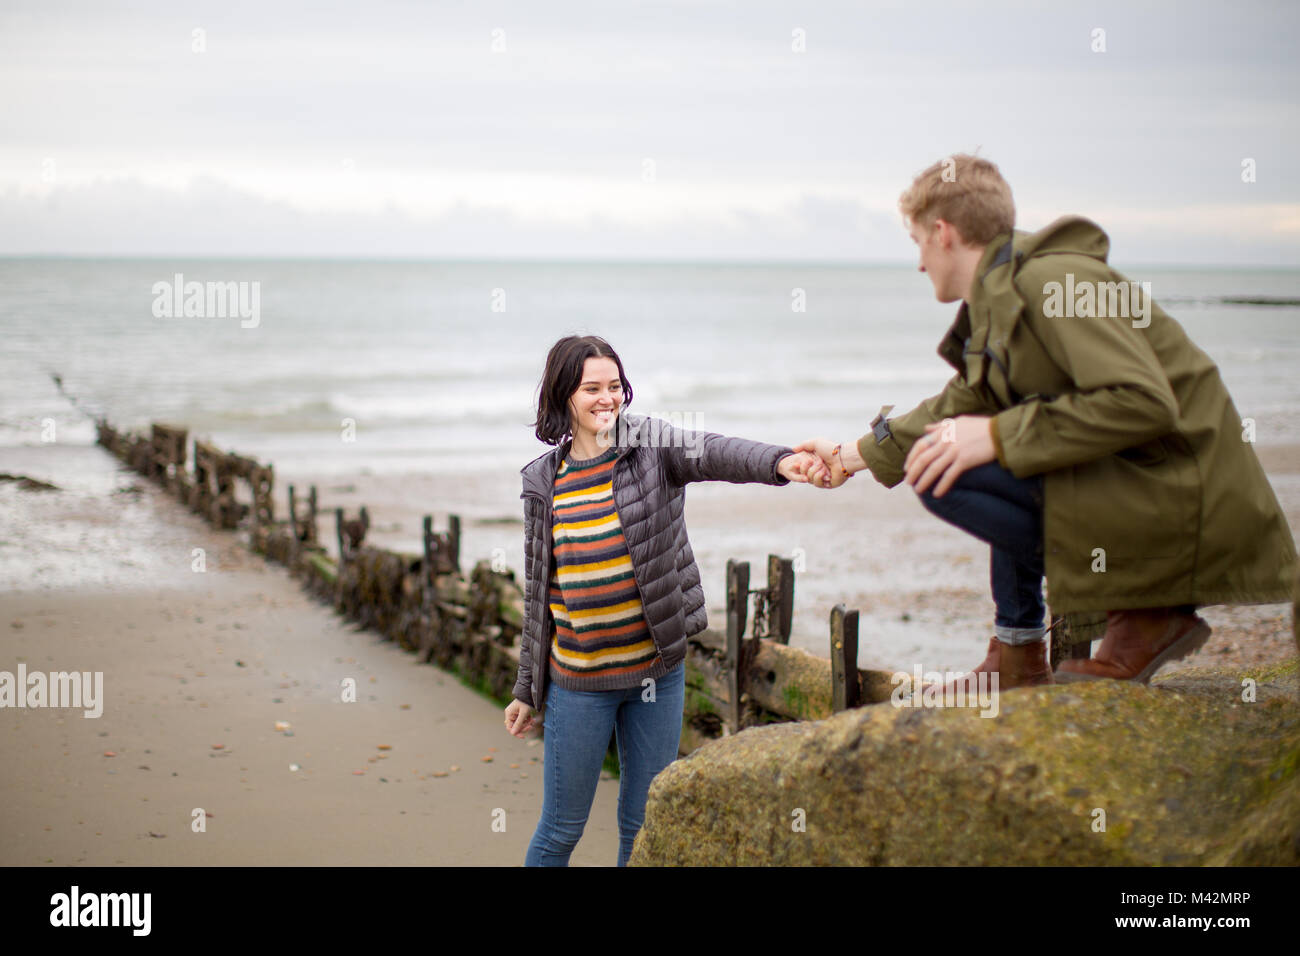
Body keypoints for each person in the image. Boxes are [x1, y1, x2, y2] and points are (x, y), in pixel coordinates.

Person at [797, 153, 1297, 692]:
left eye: (917, 243)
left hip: (1181, 495)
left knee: (945, 467)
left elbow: (1142, 401)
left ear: (942, 233)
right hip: (1140, 489)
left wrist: (993, 436)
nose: (919, 263)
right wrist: (849, 457)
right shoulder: (1006, 295)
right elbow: (958, 406)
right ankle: (1019, 653)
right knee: (951, 452)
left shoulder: (1055, 281)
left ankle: (1149, 609)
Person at [504, 334, 828, 866]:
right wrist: (526, 689)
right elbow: (539, 595)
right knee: (561, 831)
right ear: (565, 395)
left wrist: (781, 462)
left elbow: (717, 450)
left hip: (657, 675)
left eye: (614, 386)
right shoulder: (544, 482)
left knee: (645, 823)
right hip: (579, 687)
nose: (606, 398)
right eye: (592, 388)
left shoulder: (651, 447)